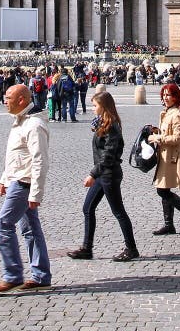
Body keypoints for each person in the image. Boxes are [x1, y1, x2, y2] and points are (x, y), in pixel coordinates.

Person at [0, 84, 51, 293]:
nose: (4, 101)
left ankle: (13, 274)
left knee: (3, 225)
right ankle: (41, 275)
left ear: (22, 100)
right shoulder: (19, 122)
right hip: (17, 180)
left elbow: (39, 161)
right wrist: (3, 179)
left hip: (24, 184)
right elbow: (15, 156)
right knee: (31, 230)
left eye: (8, 98)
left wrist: (36, 193)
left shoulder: (33, 125)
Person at [67, 92, 138, 262]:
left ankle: (131, 248)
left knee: (118, 211)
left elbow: (108, 155)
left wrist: (92, 174)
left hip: (108, 174)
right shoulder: (102, 123)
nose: (92, 108)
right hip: (103, 174)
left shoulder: (112, 125)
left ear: (104, 106)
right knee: (88, 208)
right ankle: (87, 248)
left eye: (95, 105)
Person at [147, 83, 180, 236]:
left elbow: (179, 138)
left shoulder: (176, 113)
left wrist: (158, 137)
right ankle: (169, 225)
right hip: (165, 155)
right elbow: (167, 131)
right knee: (164, 189)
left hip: (172, 157)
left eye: (168, 95)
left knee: (162, 190)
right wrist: (156, 131)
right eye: (163, 94)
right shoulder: (167, 112)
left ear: (176, 97)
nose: (165, 97)